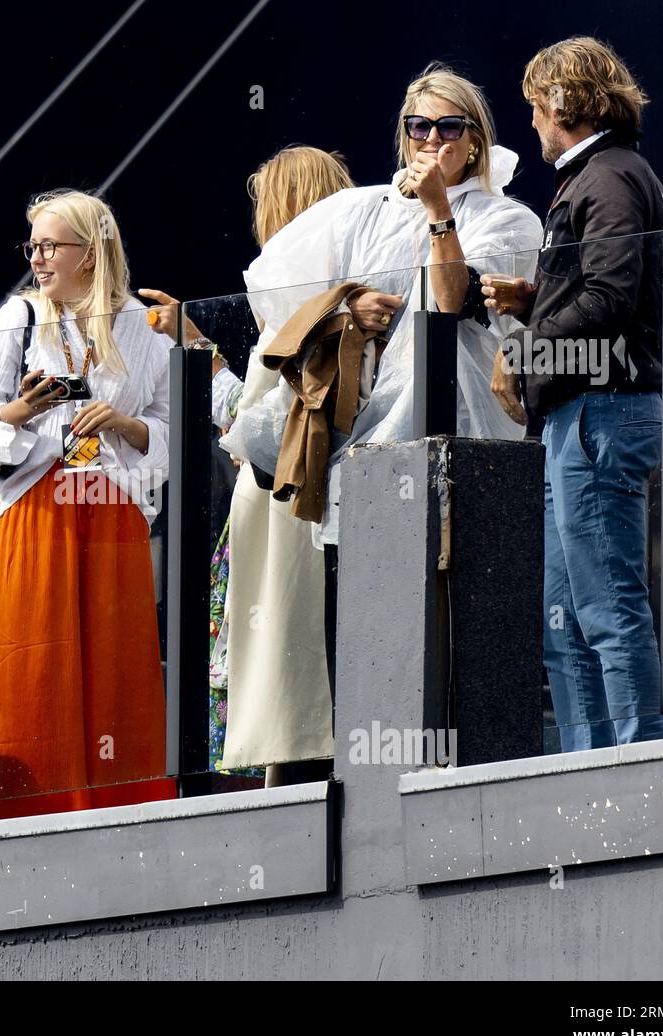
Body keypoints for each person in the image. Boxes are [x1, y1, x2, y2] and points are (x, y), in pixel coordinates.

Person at [224, 64, 544, 765]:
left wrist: (438, 213)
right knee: (366, 616)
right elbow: (272, 288)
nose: (431, 139)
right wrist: (345, 310)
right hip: (366, 446)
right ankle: (370, 776)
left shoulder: (508, 217)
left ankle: (462, 773)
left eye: (447, 126)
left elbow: (454, 298)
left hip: (462, 436)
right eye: (418, 126)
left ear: (476, 139)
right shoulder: (363, 210)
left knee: (455, 614)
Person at [140, 146, 355, 783]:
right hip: (311, 504)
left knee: (281, 664)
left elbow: (255, 424)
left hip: (288, 505)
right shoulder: (336, 293)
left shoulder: (298, 303)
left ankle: (283, 802)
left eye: (264, 205)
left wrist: (198, 351)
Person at [484, 37, 663, 751]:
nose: (530, 122)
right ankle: (586, 770)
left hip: (600, 411)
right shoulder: (606, 175)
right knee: (565, 620)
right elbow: (607, 291)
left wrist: (527, 344)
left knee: (606, 606)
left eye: (534, 106)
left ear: (560, 104)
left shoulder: (610, 177)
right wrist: (536, 300)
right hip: (582, 412)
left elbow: (613, 296)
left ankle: (632, 768)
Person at [0, 189, 174, 818]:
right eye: (31, 246)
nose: (36, 257)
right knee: (40, 665)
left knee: (120, 667)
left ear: (91, 253)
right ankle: (42, 820)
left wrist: (123, 423)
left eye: (49, 245)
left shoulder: (141, 327)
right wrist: (21, 412)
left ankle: (128, 815)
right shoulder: (19, 318)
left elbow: (173, 428)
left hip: (111, 509)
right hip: (37, 509)